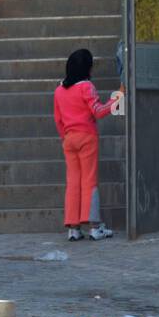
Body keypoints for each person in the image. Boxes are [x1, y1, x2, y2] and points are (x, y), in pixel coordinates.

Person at [53, 48, 120, 241]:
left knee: (73, 182)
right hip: (87, 137)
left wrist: (64, 137)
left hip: (68, 139)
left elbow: (58, 119)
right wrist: (117, 99)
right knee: (89, 180)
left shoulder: (59, 90)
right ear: (87, 68)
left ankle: (73, 228)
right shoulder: (86, 87)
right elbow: (98, 111)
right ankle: (94, 226)